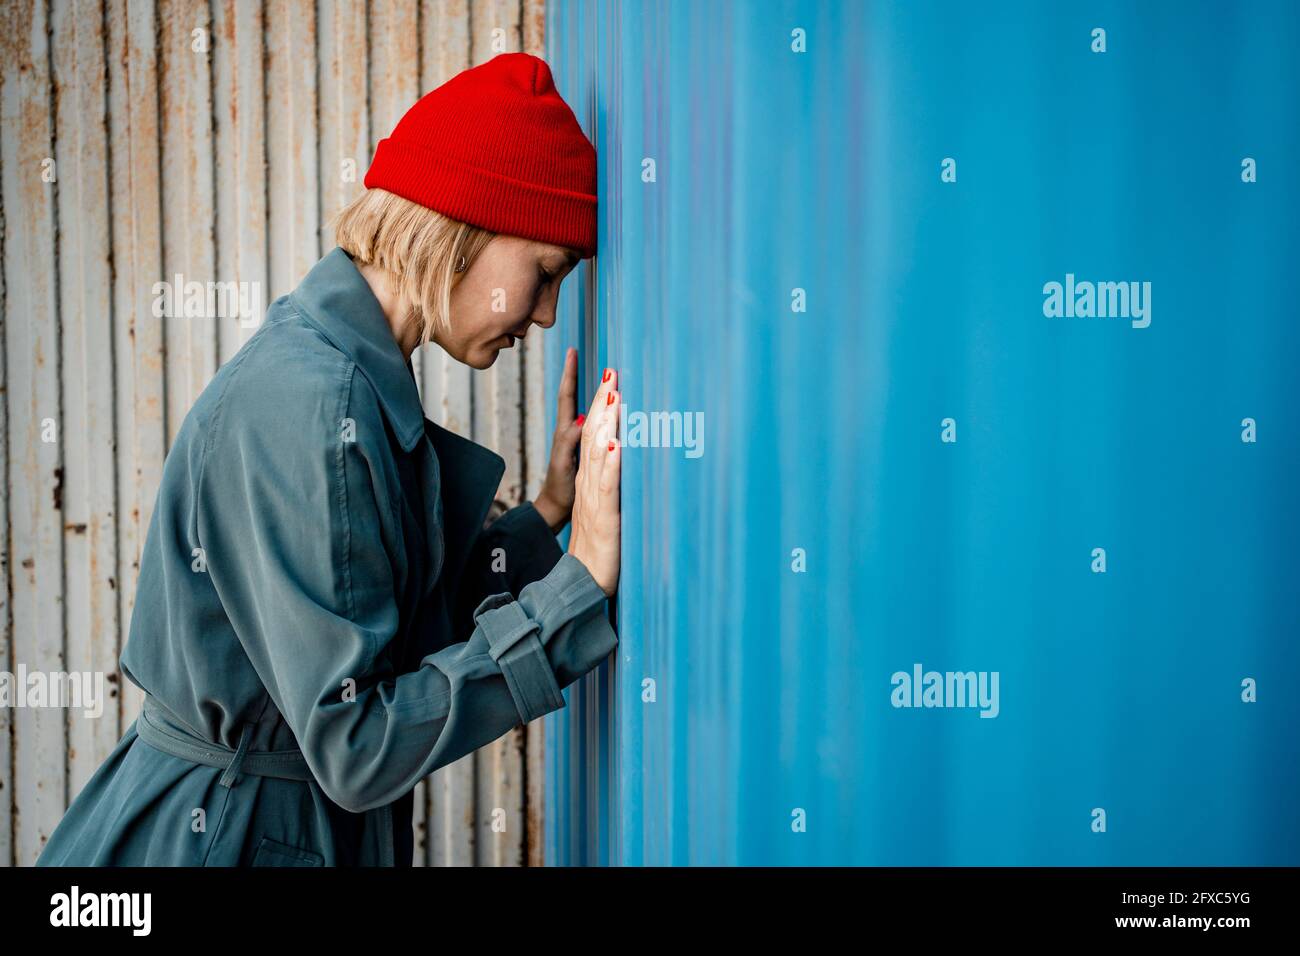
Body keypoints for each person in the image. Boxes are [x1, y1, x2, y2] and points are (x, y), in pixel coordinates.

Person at [36, 52, 621, 866]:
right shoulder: (317, 403)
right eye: (547, 272)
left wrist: (550, 514)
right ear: (465, 230)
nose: (549, 314)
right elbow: (357, 740)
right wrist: (574, 593)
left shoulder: (348, 376)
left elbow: (384, 622)